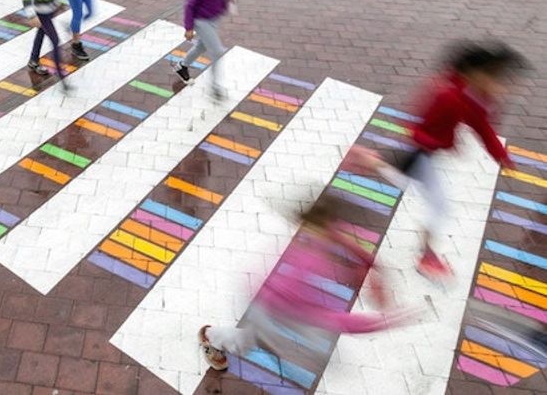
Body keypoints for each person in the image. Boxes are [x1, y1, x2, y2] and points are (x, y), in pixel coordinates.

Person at [198, 195, 419, 371]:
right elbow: (329, 318)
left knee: (282, 344)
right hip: (271, 307)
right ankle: (211, 337)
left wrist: (372, 266)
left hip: (279, 300)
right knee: (253, 340)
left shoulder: (321, 233)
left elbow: (345, 240)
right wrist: (384, 321)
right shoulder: (305, 268)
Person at [379, 41, 527, 282]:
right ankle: (426, 256)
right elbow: (418, 127)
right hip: (423, 151)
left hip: (431, 151)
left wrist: (501, 156)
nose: (498, 84)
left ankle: (368, 160)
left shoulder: (470, 96)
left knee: (400, 175)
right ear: (472, 73)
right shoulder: (449, 96)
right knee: (439, 205)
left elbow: (483, 128)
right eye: (492, 77)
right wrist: (438, 143)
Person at [172, 0, 240, 100]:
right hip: (201, 20)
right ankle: (216, 87)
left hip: (215, 18)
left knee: (201, 46)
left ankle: (182, 66)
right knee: (217, 51)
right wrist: (188, 27)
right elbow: (189, 5)